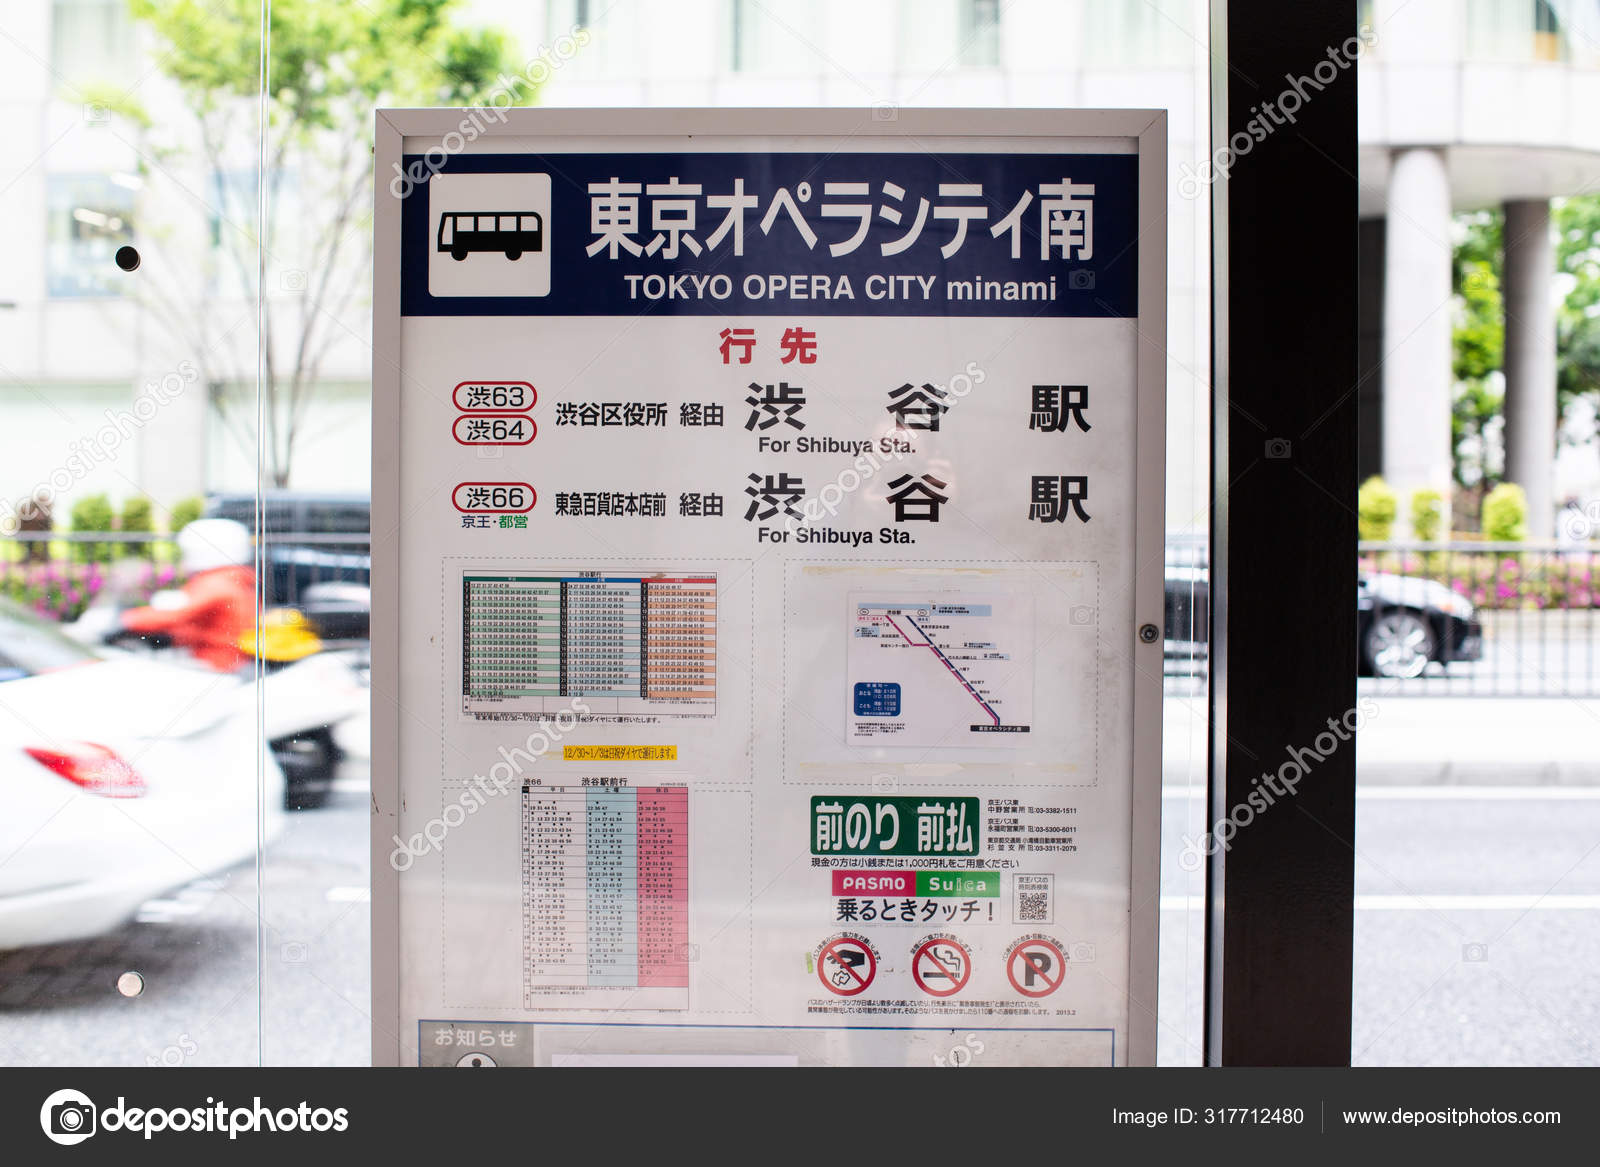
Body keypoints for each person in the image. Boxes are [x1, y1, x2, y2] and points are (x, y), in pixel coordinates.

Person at [121, 518, 256, 672]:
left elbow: (172, 614)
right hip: (228, 661)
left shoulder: (215, 583)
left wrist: (126, 620)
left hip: (215, 664)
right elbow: (202, 626)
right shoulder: (235, 579)